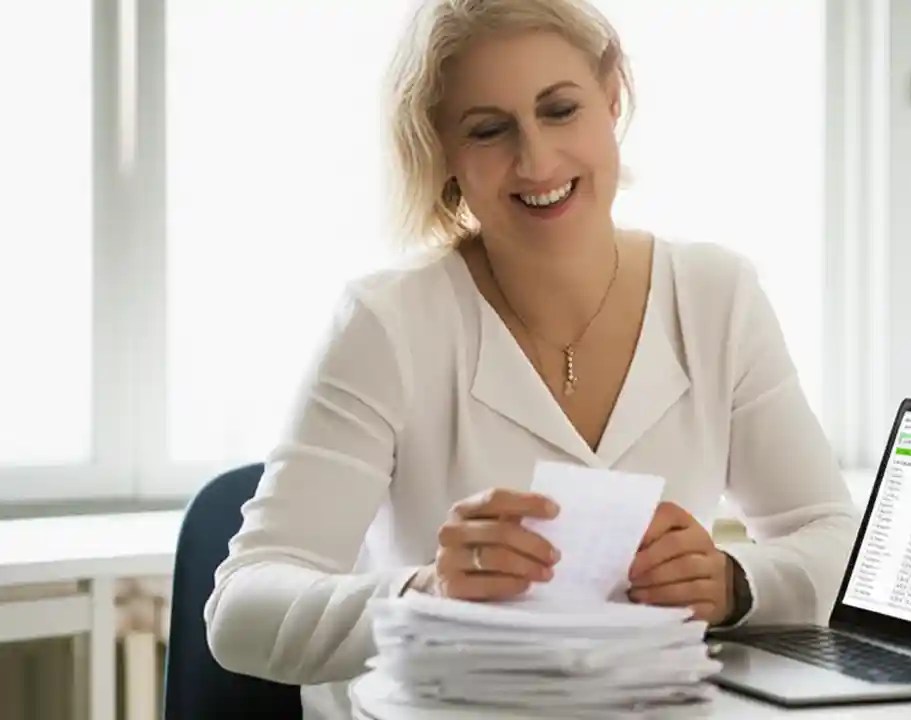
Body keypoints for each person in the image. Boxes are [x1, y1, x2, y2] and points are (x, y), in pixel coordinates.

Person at [204, 0, 860, 716]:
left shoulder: (716, 298)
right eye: (489, 130)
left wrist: (735, 583)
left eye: (560, 110)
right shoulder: (388, 324)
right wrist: (427, 593)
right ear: (444, 152)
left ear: (612, 96)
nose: (537, 160)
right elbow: (240, 609)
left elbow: (835, 544)